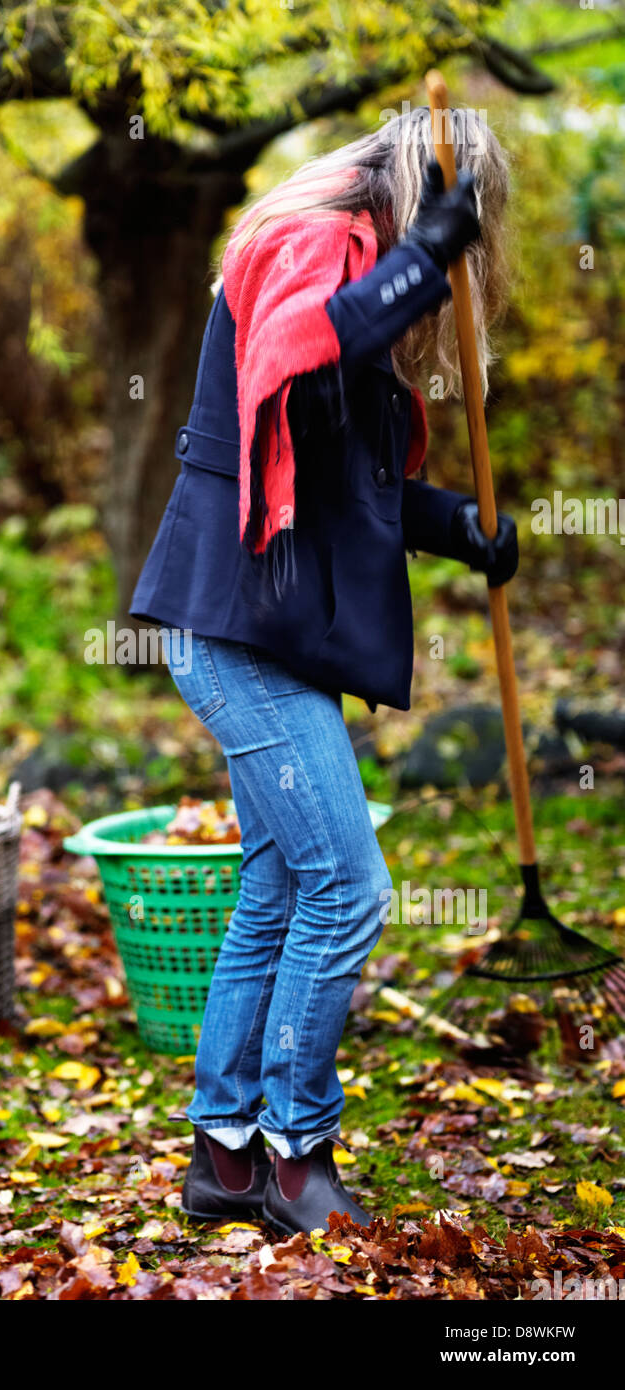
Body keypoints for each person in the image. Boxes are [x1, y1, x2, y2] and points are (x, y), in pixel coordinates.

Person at [130, 107, 519, 1236]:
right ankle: (298, 1153)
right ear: (417, 190)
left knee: (278, 890)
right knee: (348, 887)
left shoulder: (369, 263)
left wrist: (461, 529)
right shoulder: (318, 241)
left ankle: (225, 1155)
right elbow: (301, 344)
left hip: (269, 633)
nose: (461, 250)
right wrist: (421, 258)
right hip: (233, 632)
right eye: (462, 221)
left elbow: (359, 483)